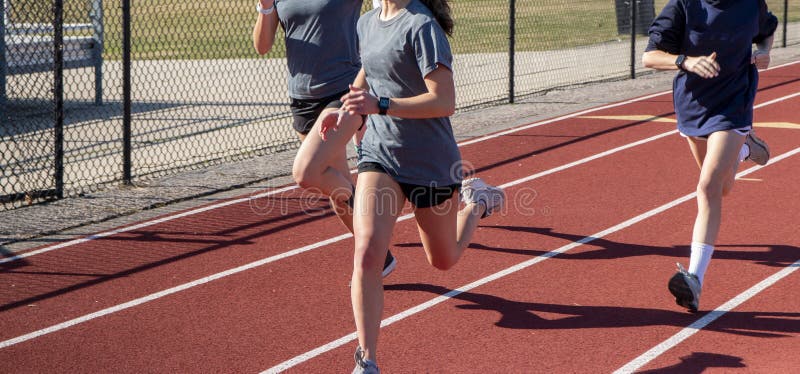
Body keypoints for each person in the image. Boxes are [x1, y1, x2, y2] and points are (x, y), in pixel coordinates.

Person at [319, 0, 505, 372]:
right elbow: (368, 75)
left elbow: (444, 100)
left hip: (430, 162)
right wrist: (345, 110)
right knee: (368, 252)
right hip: (379, 155)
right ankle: (366, 361)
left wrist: (382, 104)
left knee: (443, 259)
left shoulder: (421, 25)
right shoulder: (367, 22)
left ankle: (478, 203)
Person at [642, 0, 778, 312]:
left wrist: (764, 51)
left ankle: (694, 278)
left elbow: (767, 29)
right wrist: (685, 62)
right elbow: (650, 57)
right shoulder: (682, 6)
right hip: (694, 105)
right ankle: (745, 149)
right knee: (723, 186)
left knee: (707, 188)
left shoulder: (750, 3)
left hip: (734, 103)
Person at [252, 0, 397, 277]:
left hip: (343, 91)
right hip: (302, 99)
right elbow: (262, 46)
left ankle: (375, 237)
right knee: (336, 189)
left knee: (308, 172)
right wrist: (266, 7)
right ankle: (381, 257)